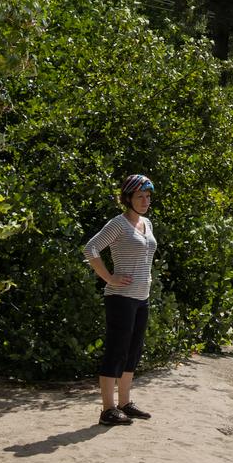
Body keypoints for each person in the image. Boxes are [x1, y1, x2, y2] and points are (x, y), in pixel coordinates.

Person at [84, 173, 157, 427]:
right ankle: (108, 409)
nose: (145, 201)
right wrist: (109, 278)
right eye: (140, 197)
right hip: (121, 298)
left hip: (141, 298)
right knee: (116, 350)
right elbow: (90, 248)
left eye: (147, 196)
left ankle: (125, 403)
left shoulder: (147, 223)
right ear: (128, 199)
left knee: (133, 351)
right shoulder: (118, 224)